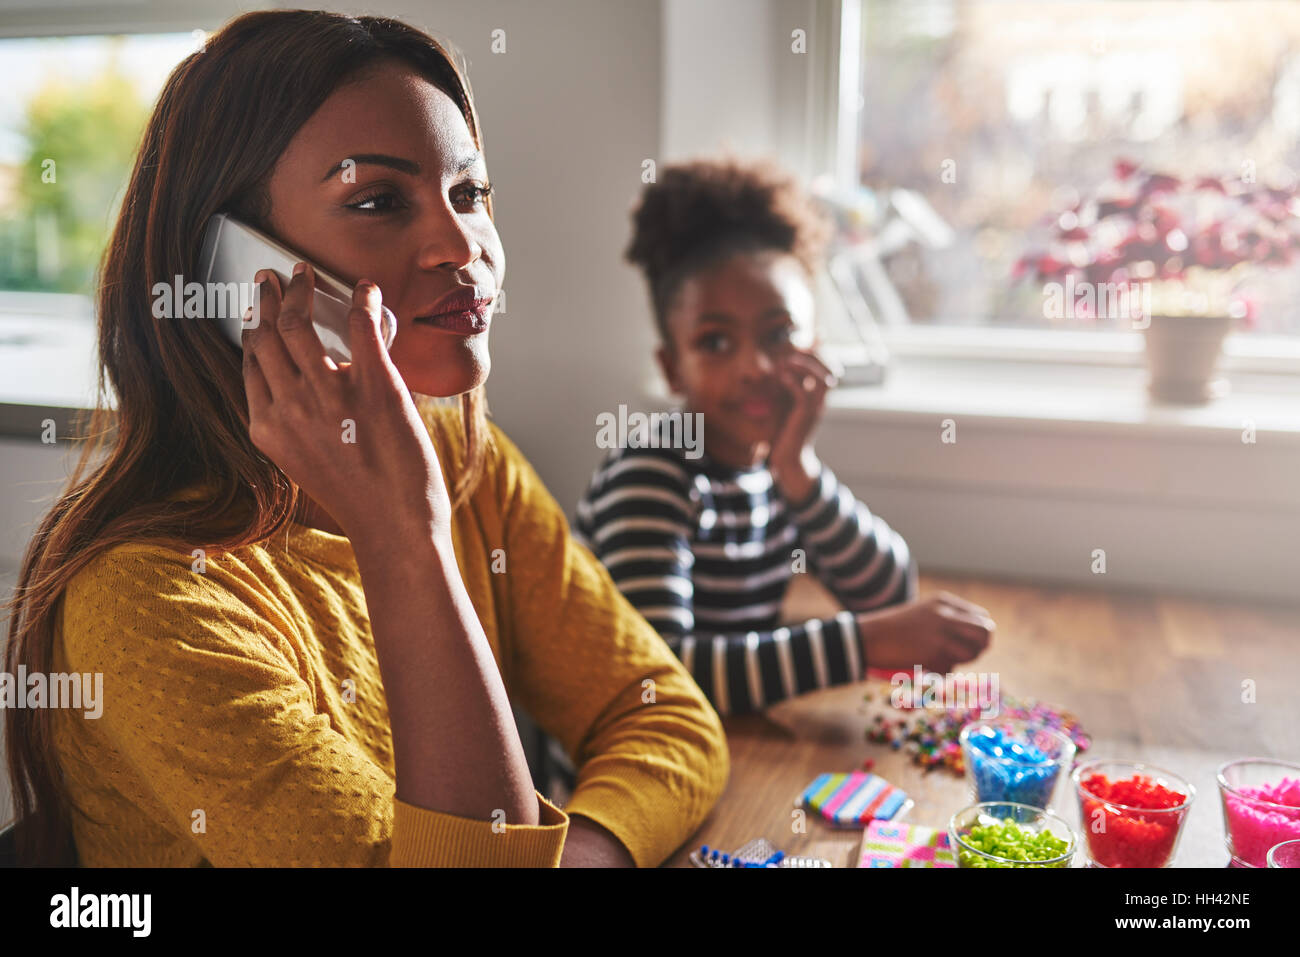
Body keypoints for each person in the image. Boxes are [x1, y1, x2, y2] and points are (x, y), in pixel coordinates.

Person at [1, 10, 727, 868]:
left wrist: (582, 856)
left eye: (470, 193)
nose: (465, 248)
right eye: (379, 201)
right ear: (236, 270)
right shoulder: (147, 599)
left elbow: (664, 714)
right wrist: (403, 538)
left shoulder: (461, 454)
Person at [574, 156, 995, 716]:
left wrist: (799, 471)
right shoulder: (650, 473)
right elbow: (663, 677)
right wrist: (863, 643)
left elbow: (890, 594)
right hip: (619, 771)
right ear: (673, 368)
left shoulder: (776, 471)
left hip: (736, 744)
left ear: (814, 345)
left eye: (778, 334)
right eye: (716, 343)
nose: (755, 367)